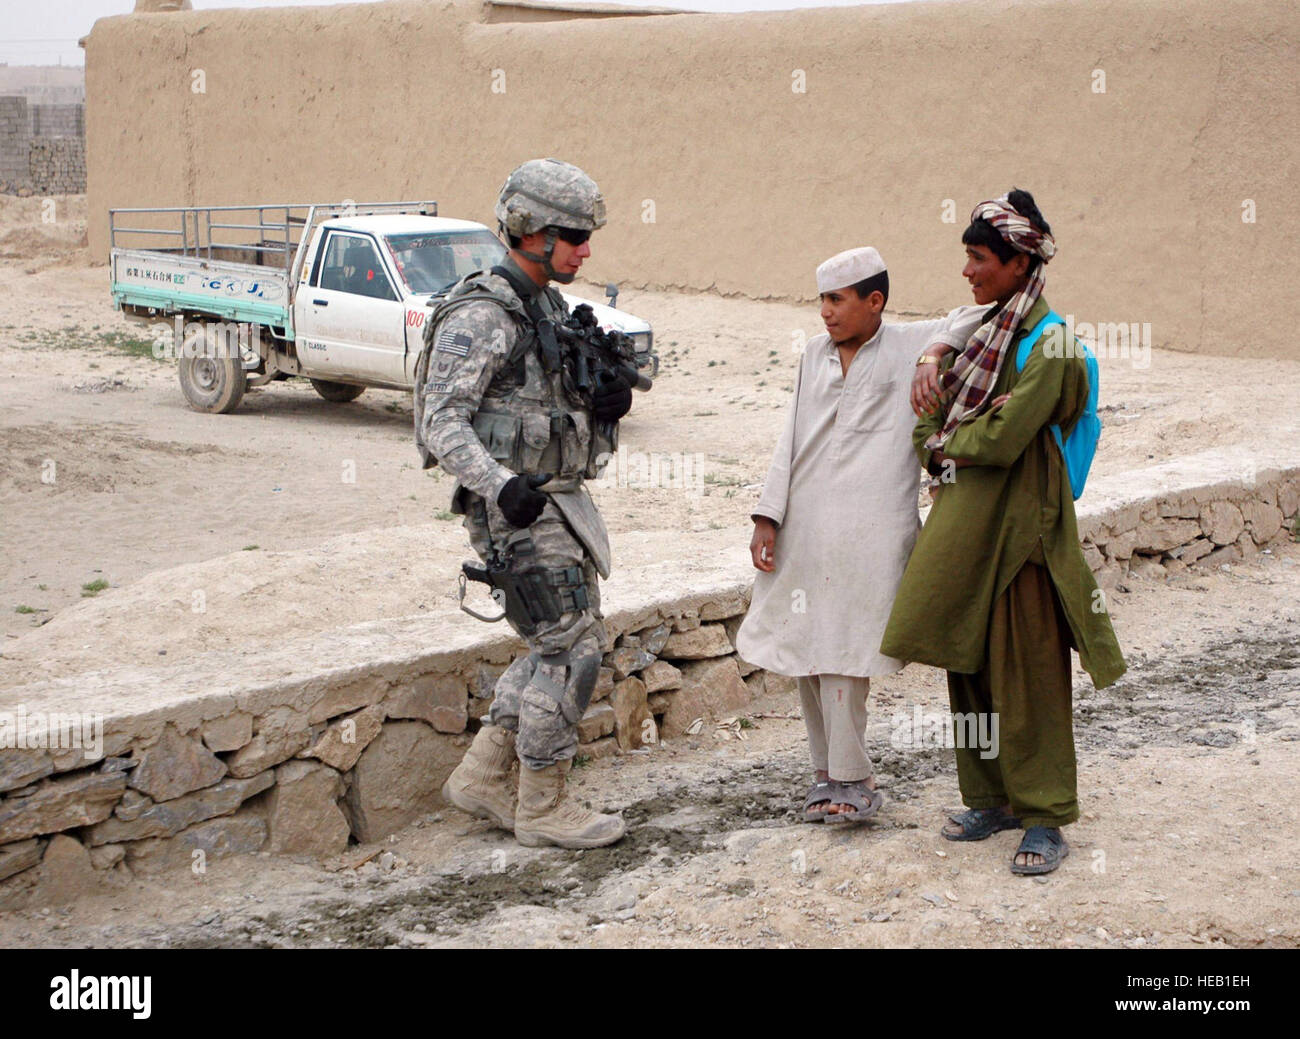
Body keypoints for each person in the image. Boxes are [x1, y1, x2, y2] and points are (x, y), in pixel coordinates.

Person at [881, 190, 1126, 874]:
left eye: (980, 257)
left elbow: (1006, 435)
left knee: (1030, 674)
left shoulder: (1051, 344)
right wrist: (944, 432)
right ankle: (991, 796)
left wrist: (949, 437)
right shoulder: (981, 334)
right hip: (964, 531)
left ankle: (1044, 813)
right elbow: (926, 425)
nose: (968, 269)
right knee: (970, 664)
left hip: (1023, 532)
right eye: (966, 255)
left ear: (1020, 264)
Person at [415, 159, 636, 850]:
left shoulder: (544, 304)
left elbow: (553, 397)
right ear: (529, 229)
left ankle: (482, 776)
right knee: (572, 648)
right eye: (573, 235)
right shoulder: (484, 311)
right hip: (516, 506)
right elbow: (439, 417)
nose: (586, 249)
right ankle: (543, 802)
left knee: (558, 641)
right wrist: (499, 486)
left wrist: (608, 400)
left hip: (557, 498)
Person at [735, 247, 984, 824]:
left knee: (847, 648)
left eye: (837, 300)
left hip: (873, 528)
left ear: (875, 301)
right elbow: (790, 437)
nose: (824, 312)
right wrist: (767, 515)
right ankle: (826, 773)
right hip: (808, 527)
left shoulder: (906, 346)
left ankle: (853, 778)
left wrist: (934, 354)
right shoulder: (813, 357)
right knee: (809, 649)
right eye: (821, 299)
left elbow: (982, 314)